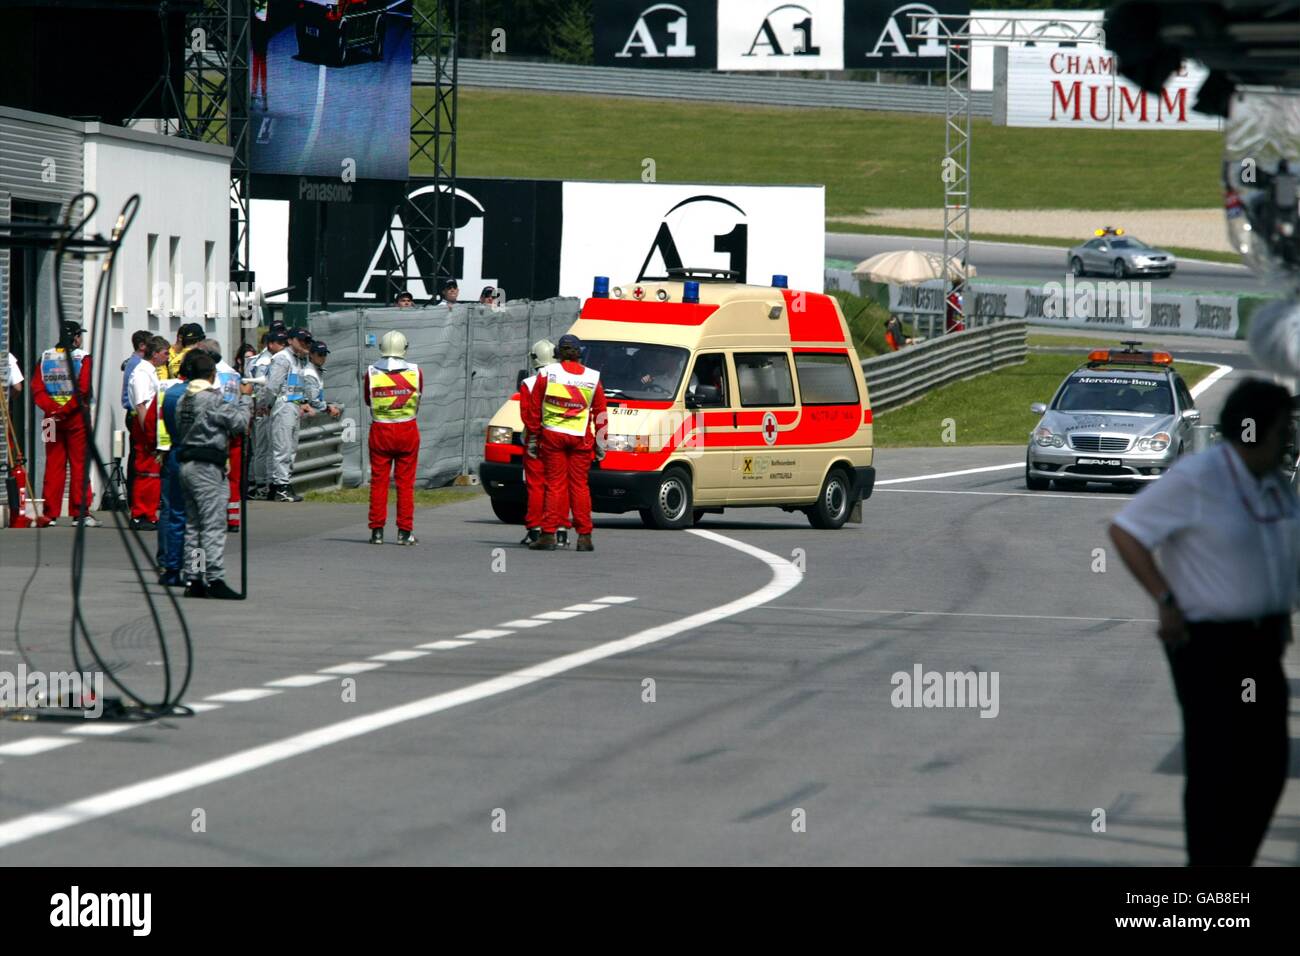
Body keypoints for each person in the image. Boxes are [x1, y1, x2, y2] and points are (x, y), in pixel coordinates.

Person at [1108, 379, 1296, 866]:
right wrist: (1166, 599)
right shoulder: (1200, 476)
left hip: (1264, 642)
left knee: (1269, 764)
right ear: (1253, 431)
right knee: (1217, 764)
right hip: (1209, 643)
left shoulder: (1275, 484)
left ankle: (1230, 863)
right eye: (1283, 430)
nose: (1290, 441)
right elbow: (1126, 531)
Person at [172, 350, 254, 599]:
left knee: (194, 525)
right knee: (213, 525)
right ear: (211, 375)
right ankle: (215, 577)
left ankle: (194, 577)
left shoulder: (181, 400)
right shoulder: (210, 400)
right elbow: (239, 423)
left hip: (187, 465)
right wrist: (245, 399)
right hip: (207, 467)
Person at [524, 334, 606, 553]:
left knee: (555, 484)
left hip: (552, 435)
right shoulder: (592, 377)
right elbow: (600, 414)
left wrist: (532, 437)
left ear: (558, 353)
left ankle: (548, 534)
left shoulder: (546, 374)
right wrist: (601, 443)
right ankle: (585, 536)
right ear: (579, 353)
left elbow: (534, 410)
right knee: (579, 486)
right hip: (580, 436)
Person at [32, 321, 99, 527]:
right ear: (76, 337)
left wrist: (52, 409)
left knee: (53, 464)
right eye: (80, 335)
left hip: (49, 419)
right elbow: (83, 389)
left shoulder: (45, 356)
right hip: (76, 418)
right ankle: (80, 513)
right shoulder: (83, 357)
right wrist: (66, 410)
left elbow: (36, 388)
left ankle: (50, 513)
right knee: (79, 465)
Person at [364, 331, 423, 545]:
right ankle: (405, 532)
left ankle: (377, 531)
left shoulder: (371, 372)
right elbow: (419, 398)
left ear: (381, 347)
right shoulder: (416, 371)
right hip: (407, 429)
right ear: (404, 348)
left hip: (380, 430)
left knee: (378, 482)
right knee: (405, 483)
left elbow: (367, 400)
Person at [155, 352, 197, 586]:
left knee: (173, 514)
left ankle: (171, 567)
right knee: (198, 521)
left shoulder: (169, 393)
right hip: (198, 459)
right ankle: (196, 570)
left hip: (173, 452)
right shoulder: (205, 395)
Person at [197, 339, 245, 532]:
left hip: (215, 430)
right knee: (233, 477)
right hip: (234, 428)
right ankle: (233, 519)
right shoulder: (233, 374)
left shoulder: (212, 376)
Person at [261, 327, 312, 502]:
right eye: (302, 340)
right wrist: (266, 404)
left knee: (290, 448)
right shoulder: (283, 358)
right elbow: (272, 386)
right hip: (283, 405)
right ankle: (281, 487)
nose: (305, 344)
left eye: (307, 341)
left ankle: (279, 485)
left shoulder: (299, 359)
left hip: (294, 405)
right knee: (282, 448)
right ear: (290, 340)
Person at [517, 339, 558, 547]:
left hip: (537, 438)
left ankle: (534, 529)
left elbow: (527, 414)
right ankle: (560, 529)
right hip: (561, 437)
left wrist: (533, 436)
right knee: (558, 486)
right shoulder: (566, 379)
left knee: (535, 486)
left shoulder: (530, 383)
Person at [126, 335, 169, 530]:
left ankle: (148, 512)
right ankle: (141, 513)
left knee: (151, 472)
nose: (167, 357)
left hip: (150, 425)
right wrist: (149, 433)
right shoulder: (142, 373)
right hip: (145, 426)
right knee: (146, 471)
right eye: (165, 353)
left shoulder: (150, 371)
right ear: (155, 354)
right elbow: (141, 405)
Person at [247, 329, 285, 498]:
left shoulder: (273, 359)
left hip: (263, 408)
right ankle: (260, 485)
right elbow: (262, 387)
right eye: (280, 342)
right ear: (270, 344)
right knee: (262, 449)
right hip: (262, 410)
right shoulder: (264, 361)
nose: (284, 346)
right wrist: (263, 406)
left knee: (265, 449)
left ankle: (262, 483)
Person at [303, 340, 343, 420]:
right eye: (320, 354)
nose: (323, 357)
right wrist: (328, 408)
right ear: (311, 355)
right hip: (308, 417)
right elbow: (313, 401)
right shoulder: (309, 373)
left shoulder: (317, 370)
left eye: (325, 354)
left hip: (313, 416)